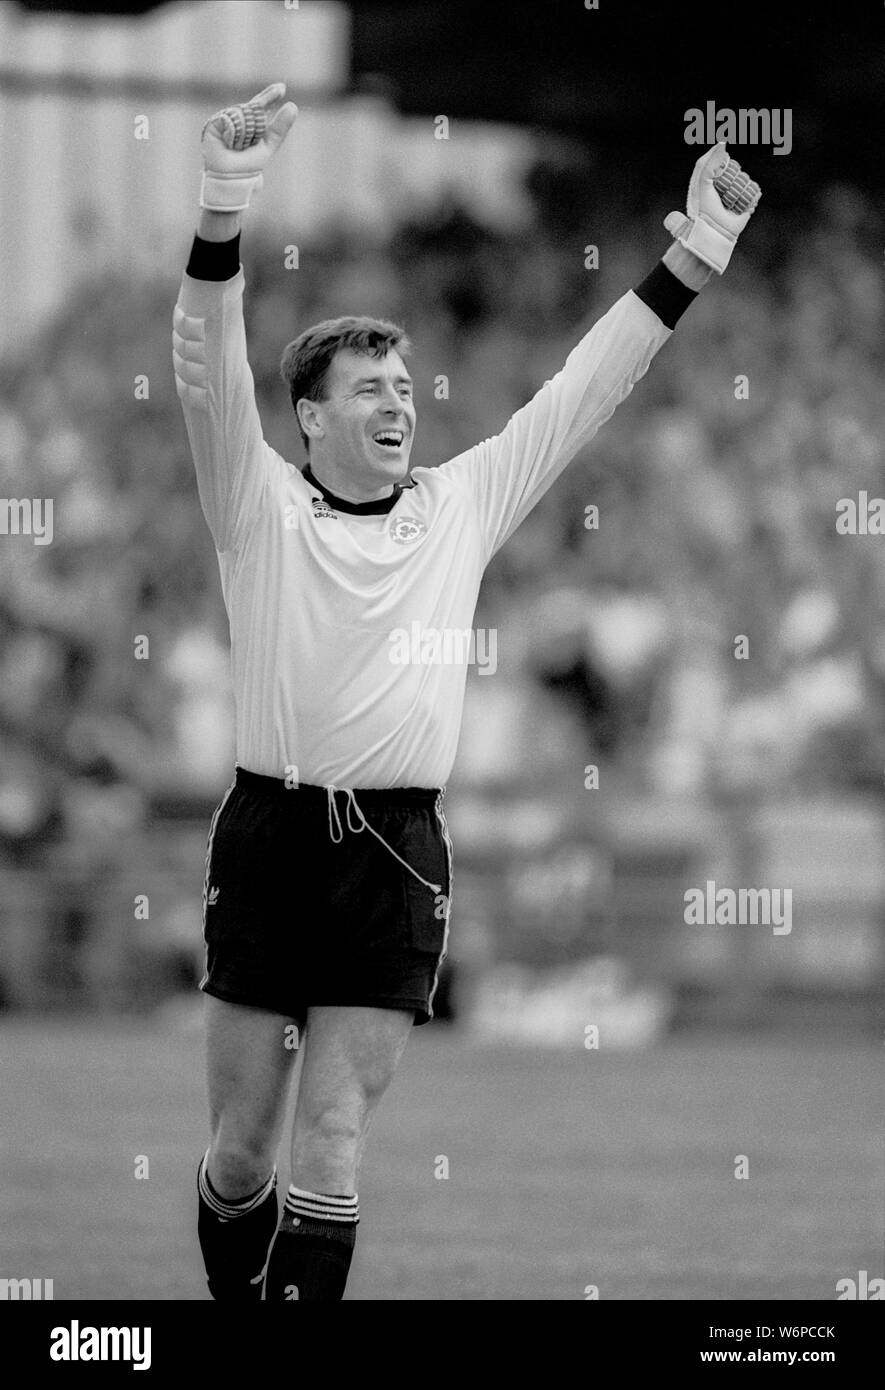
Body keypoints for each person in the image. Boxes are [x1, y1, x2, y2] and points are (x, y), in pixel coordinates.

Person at [172, 82, 759, 1301]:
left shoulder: (460, 504)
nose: (400, 404)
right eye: (372, 390)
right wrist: (227, 196)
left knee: (331, 1140)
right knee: (240, 1154)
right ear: (310, 419)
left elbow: (584, 390)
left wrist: (697, 249)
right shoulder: (258, 501)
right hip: (271, 831)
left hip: (395, 847)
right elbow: (205, 358)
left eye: (405, 385)